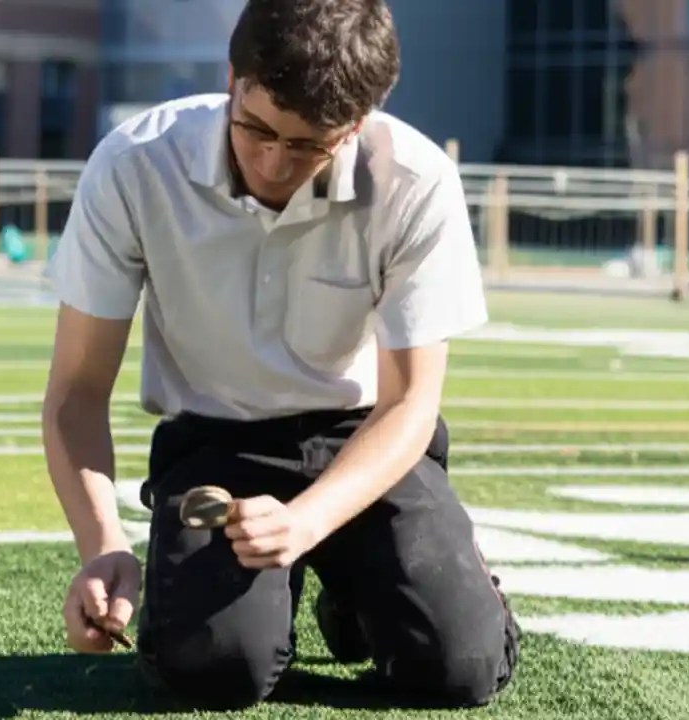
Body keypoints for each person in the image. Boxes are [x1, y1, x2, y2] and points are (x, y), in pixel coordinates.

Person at [41, 0, 519, 709]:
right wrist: (103, 543)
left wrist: (304, 524)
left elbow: (412, 403)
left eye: (306, 146)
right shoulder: (135, 165)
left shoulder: (416, 182)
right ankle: (293, 598)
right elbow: (77, 390)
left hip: (365, 443)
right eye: (257, 127)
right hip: (214, 445)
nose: (272, 161)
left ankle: (374, 589)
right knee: (213, 673)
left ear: (356, 125)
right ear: (231, 78)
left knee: (460, 668)